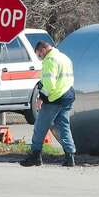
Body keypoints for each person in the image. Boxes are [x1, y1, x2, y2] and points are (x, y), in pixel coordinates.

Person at [20, 40, 76, 168]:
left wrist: (42, 97)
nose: (40, 58)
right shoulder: (64, 58)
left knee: (40, 127)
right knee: (64, 126)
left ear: (43, 50)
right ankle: (70, 156)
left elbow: (50, 84)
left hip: (54, 98)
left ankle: (36, 156)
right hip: (67, 96)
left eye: (39, 54)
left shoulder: (50, 60)